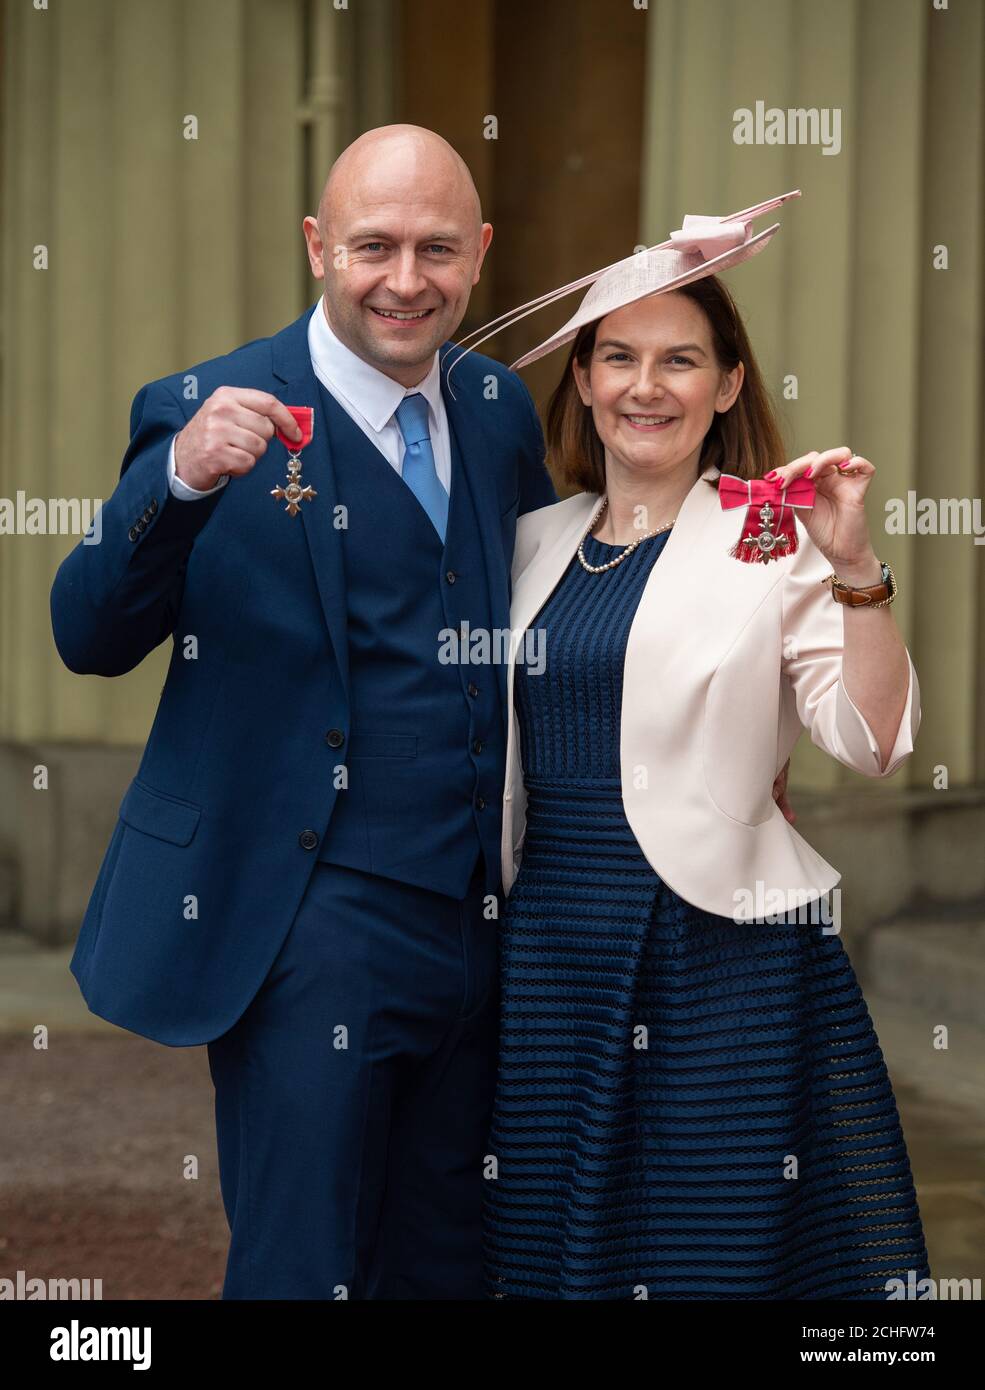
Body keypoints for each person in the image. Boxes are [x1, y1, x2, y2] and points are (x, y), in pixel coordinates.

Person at [49, 124, 562, 1300]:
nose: (405, 280)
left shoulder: (495, 409)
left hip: (478, 921)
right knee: (303, 1264)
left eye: (438, 249)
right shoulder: (205, 406)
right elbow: (86, 634)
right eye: (373, 246)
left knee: (445, 1258)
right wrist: (175, 479)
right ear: (317, 245)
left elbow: (548, 615)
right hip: (302, 925)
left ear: (480, 253)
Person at [476, 192, 931, 1299]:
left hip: (721, 950)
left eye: (680, 360)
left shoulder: (770, 535)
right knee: (553, 1242)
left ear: (727, 383)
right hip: (549, 945)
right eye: (618, 357)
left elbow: (871, 741)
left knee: (711, 1252)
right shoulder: (527, 542)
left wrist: (857, 566)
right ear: (581, 378)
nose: (645, 386)